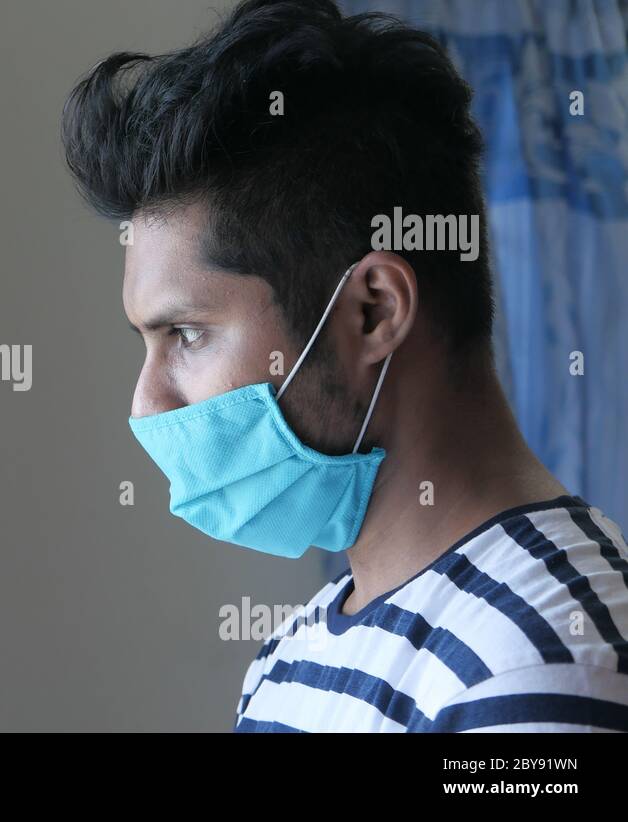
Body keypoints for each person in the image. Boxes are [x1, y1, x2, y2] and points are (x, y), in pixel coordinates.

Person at [60, 0, 628, 731]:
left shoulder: (543, 664)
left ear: (373, 312)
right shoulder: (292, 657)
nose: (148, 404)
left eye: (188, 334)